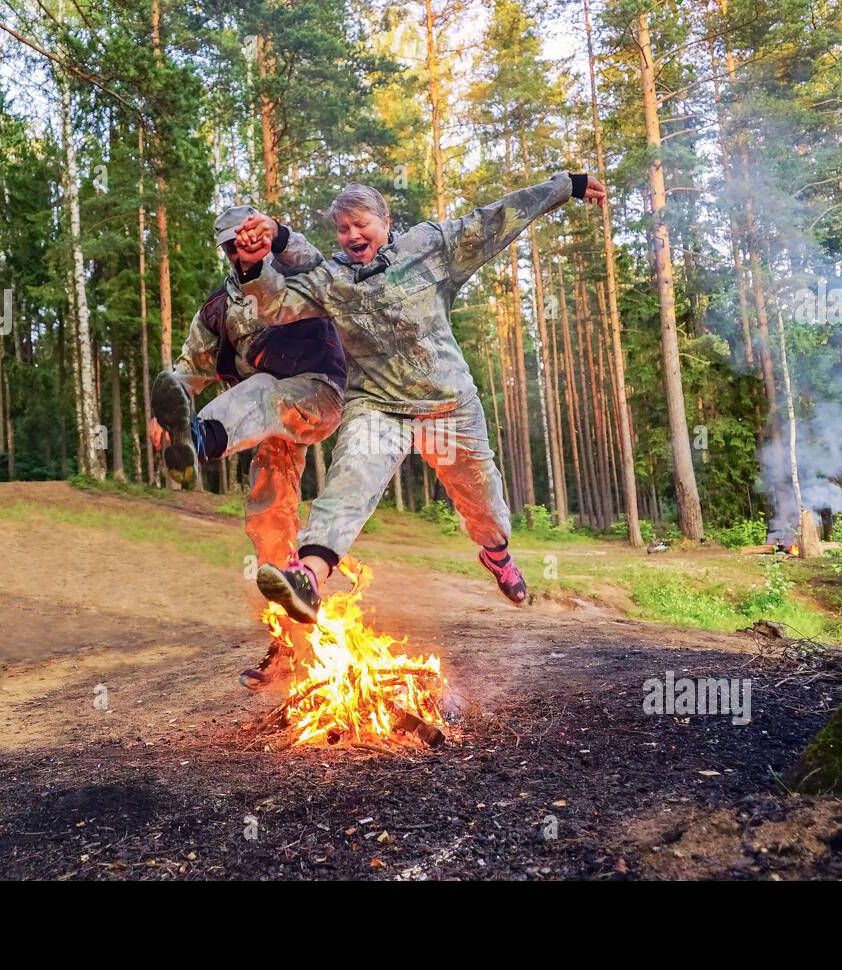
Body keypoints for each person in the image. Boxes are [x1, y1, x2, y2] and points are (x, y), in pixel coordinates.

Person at [232, 172, 607, 623]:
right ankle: (308, 577)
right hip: (378, 407)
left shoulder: (428, 246)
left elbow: (494, 220)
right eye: (344, 228)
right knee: (351, 480)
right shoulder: (331, 279)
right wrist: (253, 267)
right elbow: (274, 305)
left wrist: (567, 185)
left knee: (483, 505)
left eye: (362, 224)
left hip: (449, 407)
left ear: (385, 221)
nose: (353, 235)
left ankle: (497, 556)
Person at [150, 205, 346, 685]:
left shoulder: (295, 272)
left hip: (317, 393)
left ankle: (200, 439)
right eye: (233, 244)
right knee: (268, 521)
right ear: (224, 249)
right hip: (268, 422)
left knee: (259, 390)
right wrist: (165, 409)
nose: (243, 250)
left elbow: (317, 263)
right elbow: (190, 365)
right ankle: (290, 649)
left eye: (248, 239)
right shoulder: (218, 308)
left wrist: (277, 237)